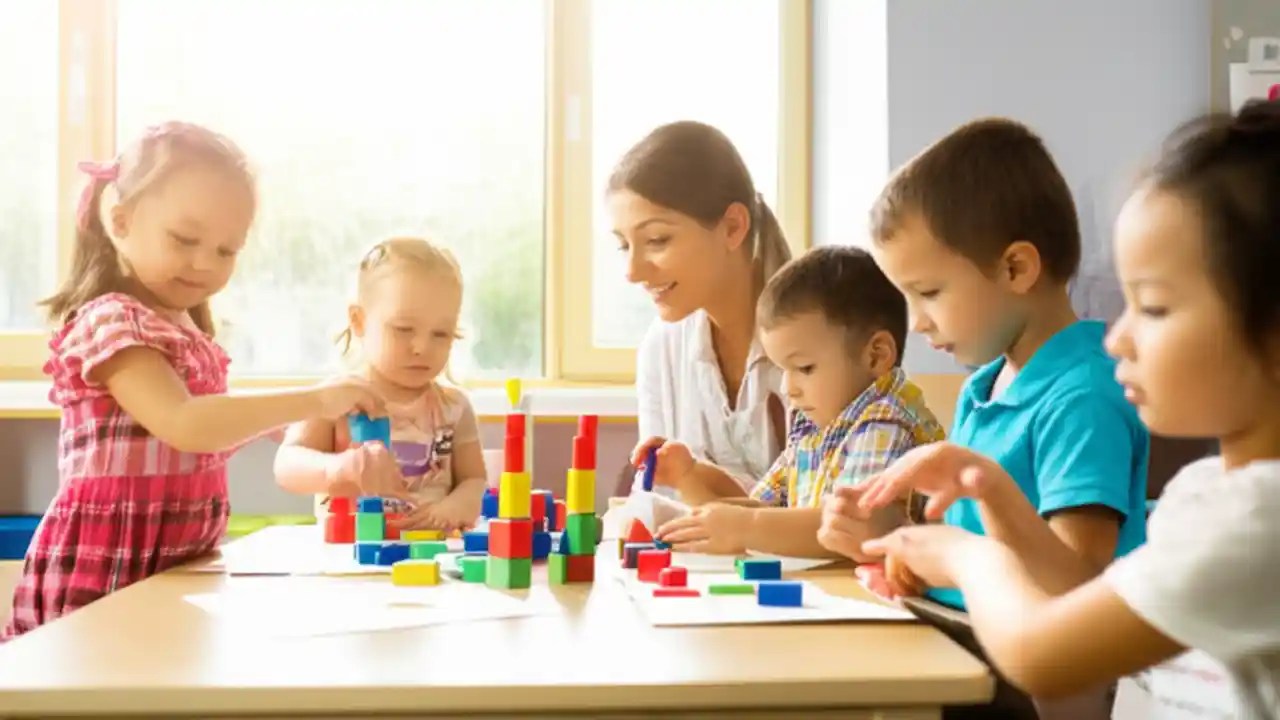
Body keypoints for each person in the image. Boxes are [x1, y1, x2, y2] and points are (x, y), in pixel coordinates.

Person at [857, 100, 1280, 720]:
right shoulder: (1208, 494)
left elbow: (1039, 654)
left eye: (1155, 308)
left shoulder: (1255, 522)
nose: (1116, 338)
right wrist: (990, 494)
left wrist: (962, 554)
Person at [820, 117, 1150, 719]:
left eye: (929, 293)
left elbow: (1075, 588)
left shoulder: (1083, 398)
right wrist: (891, 539)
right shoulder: (983, 388)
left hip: (1029, 684)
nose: (916, 322)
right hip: (962, 646)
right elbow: (963, 549)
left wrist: (981, 502)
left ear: (1016, 269)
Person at [2, 122, 383, 641]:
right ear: (120, 221)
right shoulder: (111, 320)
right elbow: (184, 423)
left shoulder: (185, 329)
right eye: (185, 239)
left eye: (227, 251)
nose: (205, 263)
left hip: (177, 560)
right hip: (109, 566)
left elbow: (213, 424)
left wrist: (307, 436)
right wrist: (314, 397)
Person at [651, 246, 945, 558]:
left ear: (876, 355)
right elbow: (765, 510)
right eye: (782, 369)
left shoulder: (887, 420)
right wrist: (689, 476)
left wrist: (744, 526)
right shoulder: (814, 430)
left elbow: (848, 527)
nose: (788, 388)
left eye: (804, 368)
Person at [609, 121, 792, 494]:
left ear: (732, 227)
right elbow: (662, 499)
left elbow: (826, 508)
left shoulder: (816, 339)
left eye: (657, 240)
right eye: (624, 246)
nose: (632, 272)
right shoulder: (662, 347)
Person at [274, 237, 486, 532]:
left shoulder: (454, 408)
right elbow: (287, 464)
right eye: (403, 329)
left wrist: (455, 506)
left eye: (441, 333)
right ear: (359, 321)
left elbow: (474, 480)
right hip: (349, 555)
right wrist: (338, 468)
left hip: (431, 555)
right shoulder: (336, 399)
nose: (421, 346)